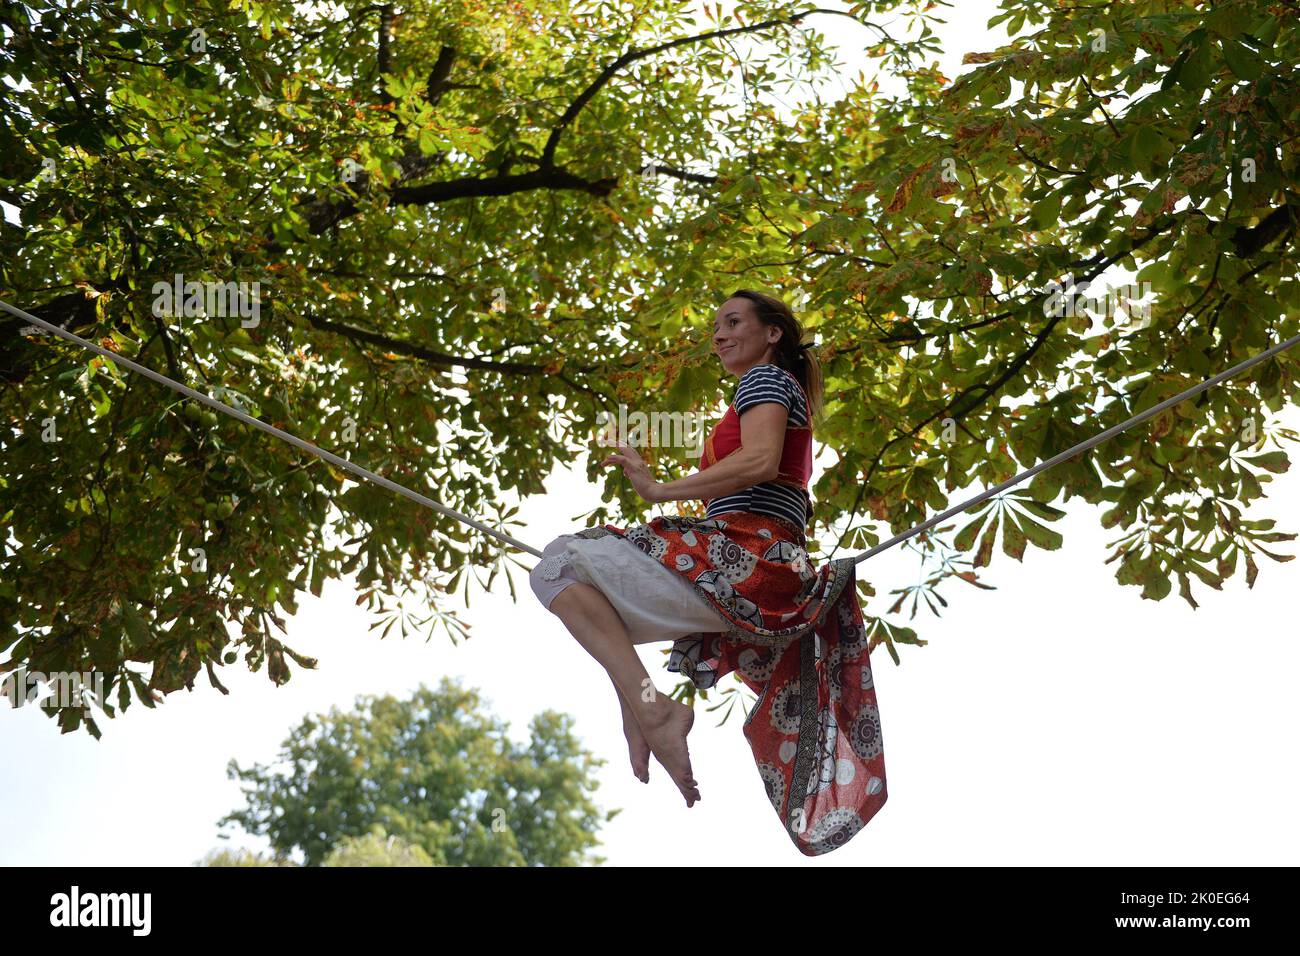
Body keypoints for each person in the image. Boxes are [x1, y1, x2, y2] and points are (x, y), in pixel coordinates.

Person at [528, 288, 887, 855]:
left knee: (561, 564)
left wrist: (656, 489)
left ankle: (652, 708)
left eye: (733, 322)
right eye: (715, 326)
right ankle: (642, 705)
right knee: (571, 581)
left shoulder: (765, 381)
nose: (718, 334)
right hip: (754, 567)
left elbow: (760, 461)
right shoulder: (762, 389)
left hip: (754, 559)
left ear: (773, 334)